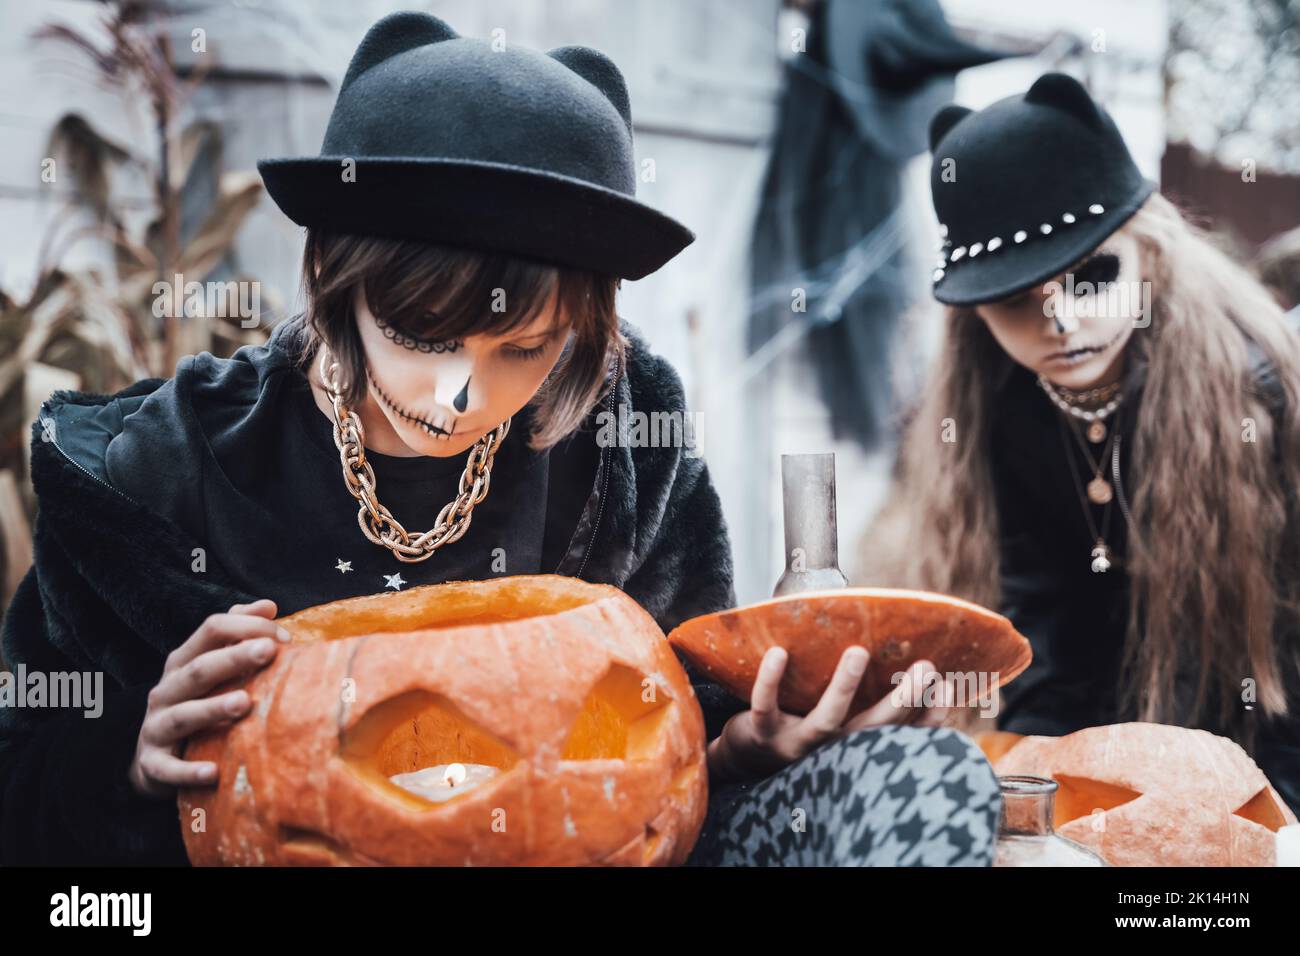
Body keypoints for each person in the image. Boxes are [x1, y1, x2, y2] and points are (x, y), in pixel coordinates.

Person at [0, 12, 996, 866]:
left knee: (919, 781)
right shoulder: (161, 463)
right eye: (418, 334)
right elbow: (23, 779)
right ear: (336, 285)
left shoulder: (622, 439)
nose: (461, 392)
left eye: (523, 346)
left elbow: (667, 754)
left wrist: (739, 745)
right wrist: (127, 755)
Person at [865, 72, 1300, 815]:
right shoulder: (1001, 404)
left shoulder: (1255, 389)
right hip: (1113, 749)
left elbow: (1281, 647)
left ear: (1150, 257)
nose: (1061, 320)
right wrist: (1048, 791)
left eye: (1093, 275)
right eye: (1015, 299)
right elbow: (1046, 625)